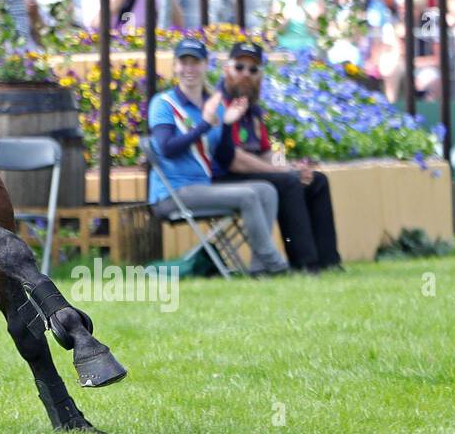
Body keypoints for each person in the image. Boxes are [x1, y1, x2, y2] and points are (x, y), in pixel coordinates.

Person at [146, 38, 290, 276]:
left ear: (205, 65)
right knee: (248, 196)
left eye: (196, 62)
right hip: (172, 193)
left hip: (201, 187)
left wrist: (225, 124)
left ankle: (259, 266)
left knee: (266, 190)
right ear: (175, 66)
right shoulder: (163, 104)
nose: (189, 68)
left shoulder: (214, 105)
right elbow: (167, 148)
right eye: (184, 62)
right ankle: (275, 263)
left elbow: (223, 155)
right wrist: (205, 123)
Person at [212, 42, 343, 272]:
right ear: (226, 70)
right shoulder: (218, 105)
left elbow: (265, 151)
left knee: (315, 180)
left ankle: (329, 261)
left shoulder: (252, 110)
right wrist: (282, 172)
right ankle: (305, 264)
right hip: (222, 178)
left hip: (253, 176)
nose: (245, 74)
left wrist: (291, 166)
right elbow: (234, 159)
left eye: (253, 70)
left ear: (260, 76)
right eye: (239, 67)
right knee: (288, 182)